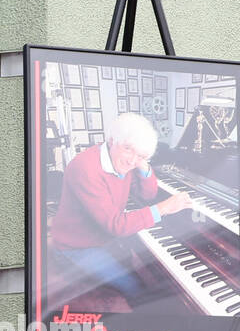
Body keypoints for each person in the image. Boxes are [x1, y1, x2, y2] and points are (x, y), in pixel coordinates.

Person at [49, 113, 192, 306]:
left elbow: (147, 195)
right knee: (136, 287)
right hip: (75, 246)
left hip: (102, 238)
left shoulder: (124, 161)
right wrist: (164, 208)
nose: (131, 161)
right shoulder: (85, 168)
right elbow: (116, 225)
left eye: (140, 155)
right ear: (111, 140)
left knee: (147, 273)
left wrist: (144, 167)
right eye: (127, 149)